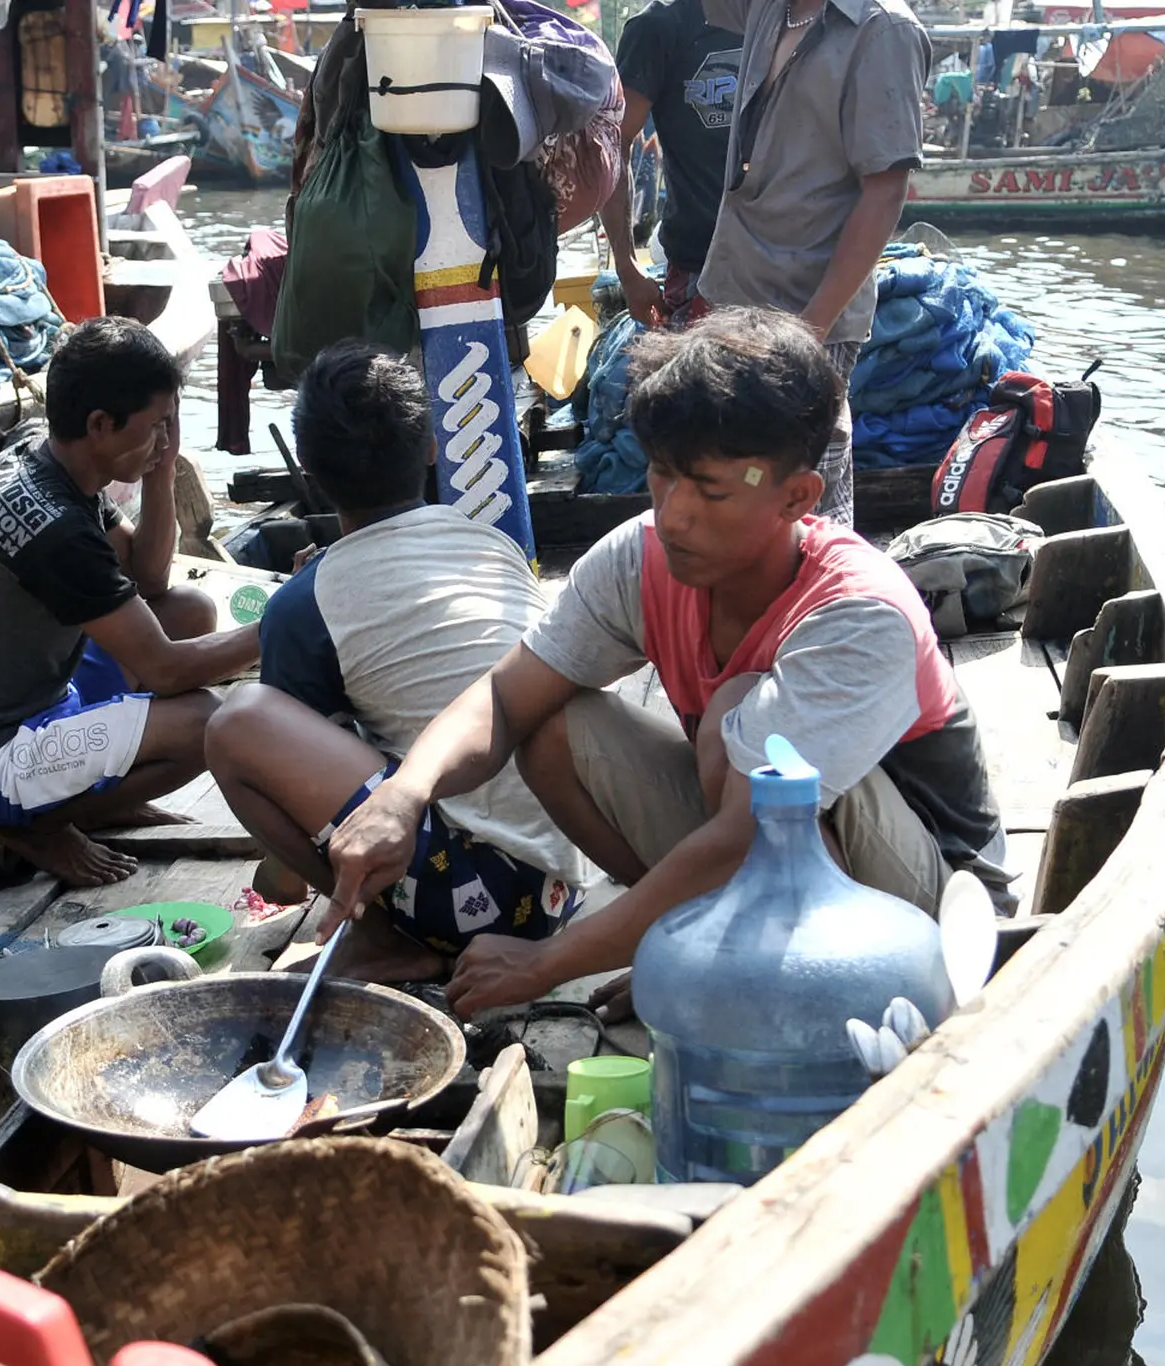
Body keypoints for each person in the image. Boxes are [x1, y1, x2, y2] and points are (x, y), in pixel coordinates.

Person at [324, 310, 1007, 1015]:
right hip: (772, 855)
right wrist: (405, 794)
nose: (674, 514)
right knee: (553, 728)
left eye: (711, 491)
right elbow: (505, 698)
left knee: (739, 718)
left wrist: (551, 961)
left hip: (937, 914)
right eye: (661, 474)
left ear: (797, 497)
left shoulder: (860, 614)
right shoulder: (641, 559)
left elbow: (751, 832)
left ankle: (749, 967)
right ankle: (702, 943)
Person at [206, 342, 586, 983]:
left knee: (235, 722)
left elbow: (286, 846)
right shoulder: (492, 543)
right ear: (433, 448)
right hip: (566, 880)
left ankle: (382, 938)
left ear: (308, 467)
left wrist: (278, 873)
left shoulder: (306, 602)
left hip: (478, 899)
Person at [0, 317, 259, 887]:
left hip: (37, 699)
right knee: (208, 722)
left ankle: (89, 798)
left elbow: (149, 577)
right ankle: (45, 824)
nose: (164, 438)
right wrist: (288, 621)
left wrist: (161, 469)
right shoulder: (58, 531)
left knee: (190, 611)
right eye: (156, 426)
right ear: (100, 424)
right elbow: (165, 670)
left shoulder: (45, 461)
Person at [698, 0, 931, 524]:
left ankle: (821, 579)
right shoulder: (768, 8)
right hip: (736, 290)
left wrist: (809, 332)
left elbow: (884, 193)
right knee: (739, 480)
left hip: (809, 310)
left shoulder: (882, 30)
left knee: (792, 502)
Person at [605, 0, 742, 328]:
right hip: (700, 268)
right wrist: (627, 267)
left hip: (789, 263)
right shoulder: (658, 28)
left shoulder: (783, 18)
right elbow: (613, 145)